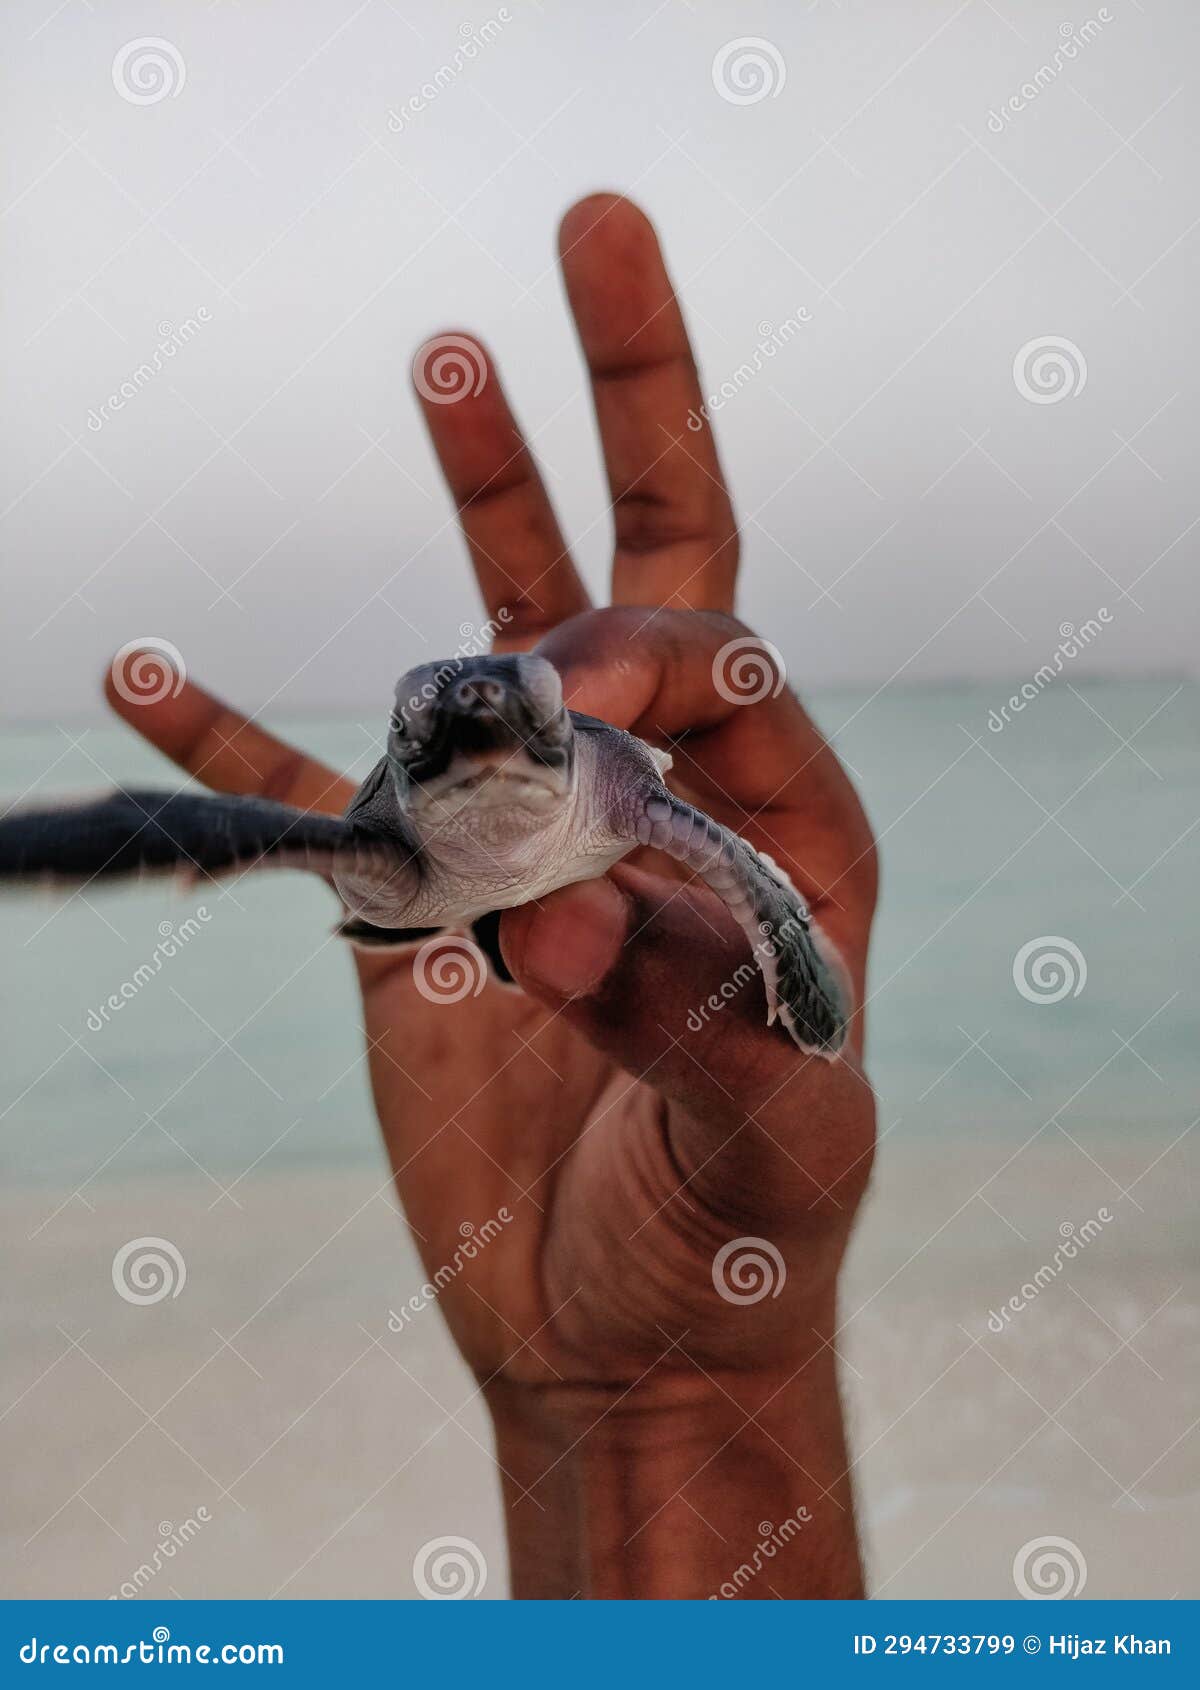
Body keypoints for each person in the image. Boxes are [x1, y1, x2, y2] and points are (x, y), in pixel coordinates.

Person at [106, 194, 879, 1599]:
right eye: (434, 741)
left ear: (555, 727)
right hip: (426, 884)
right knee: (176, 829)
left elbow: (729, 864)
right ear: (408, 762)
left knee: (752, 910)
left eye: (510, 722)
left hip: (542, 858)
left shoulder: (620, 786)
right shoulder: (396, 846)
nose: (477, 749)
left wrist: (785, 962)